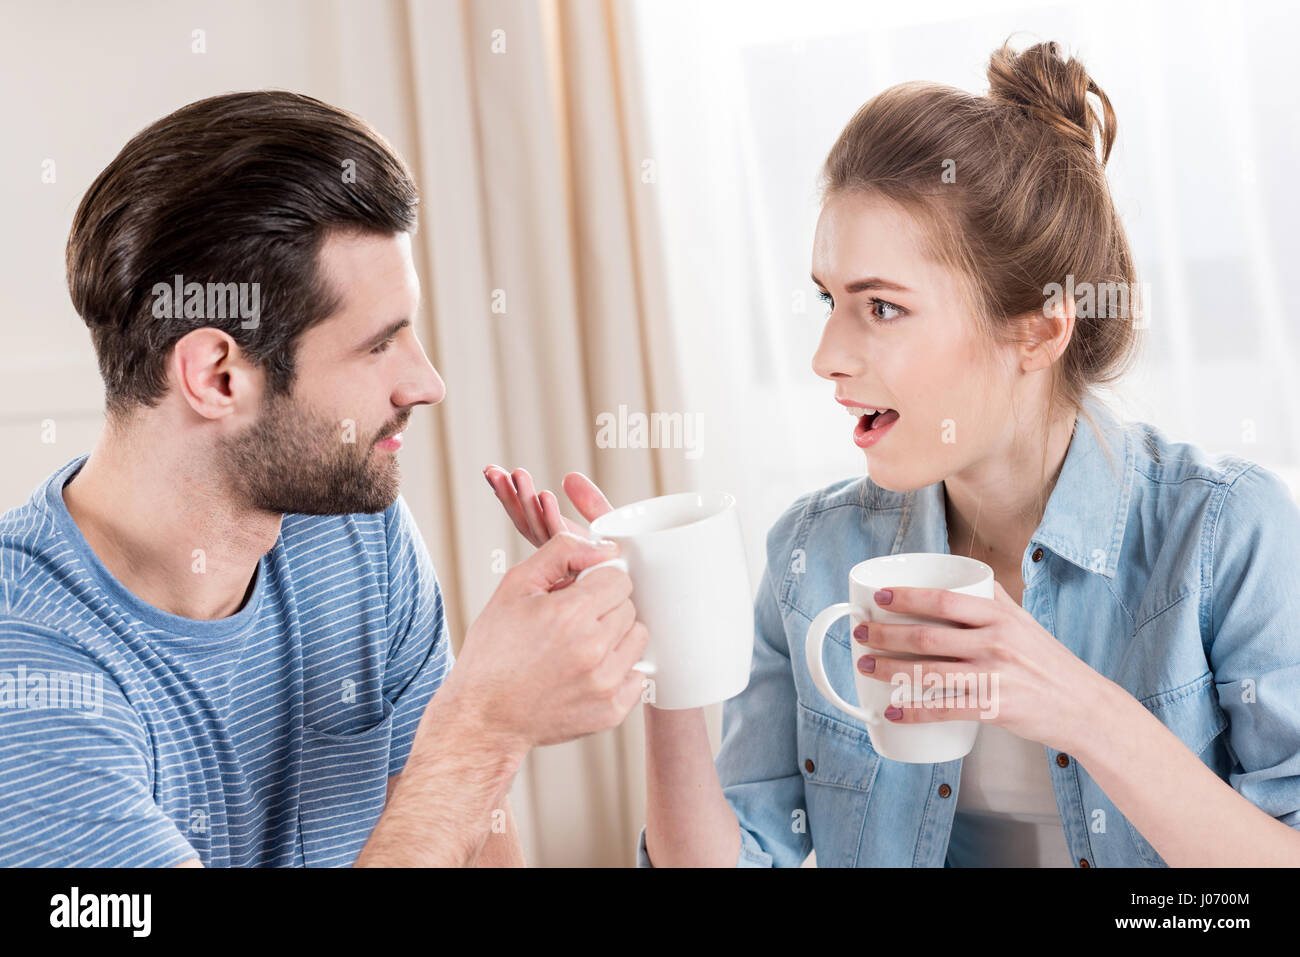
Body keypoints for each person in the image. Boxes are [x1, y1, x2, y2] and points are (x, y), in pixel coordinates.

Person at [489, 39, 1300, 867]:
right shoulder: (813, 553)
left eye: (880, 308)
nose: (826, 357)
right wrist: (667, 640)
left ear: (1039, 326)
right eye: (827, 300)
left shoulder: (1228, 530)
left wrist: (1077, 705)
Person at [0, 91, 649, 867]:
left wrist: (479, 736)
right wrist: (481, 729)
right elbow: (458, 771)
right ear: (217, 376)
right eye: (379, 345)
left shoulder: (353, 534)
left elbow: (469, 844)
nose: (428, 383)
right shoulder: (29, 665)